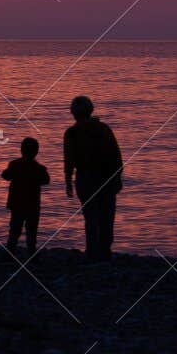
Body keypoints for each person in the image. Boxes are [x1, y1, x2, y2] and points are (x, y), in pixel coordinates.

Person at [63, 95, 123, 262]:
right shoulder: (104, 129)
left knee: (90, 218)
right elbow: (116, 155)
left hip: (85, 178)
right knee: (107, 216)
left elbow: (69, 160)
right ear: (91, 110)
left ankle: (92, 252)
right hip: (106, 177)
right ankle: (105, 251)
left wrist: (68, 181)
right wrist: (118, 177)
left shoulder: (72, 133)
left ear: (73, 113)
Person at [1, 137, 50, 257]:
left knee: (14, 230)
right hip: (32, 204)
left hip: (16, 203)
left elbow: (5, 175)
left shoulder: (14, 165)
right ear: (36, 152)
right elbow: (46, 180)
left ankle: (10, 253)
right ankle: (31, 254)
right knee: (32, 231)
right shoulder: (39, 168)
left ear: (21, 150)